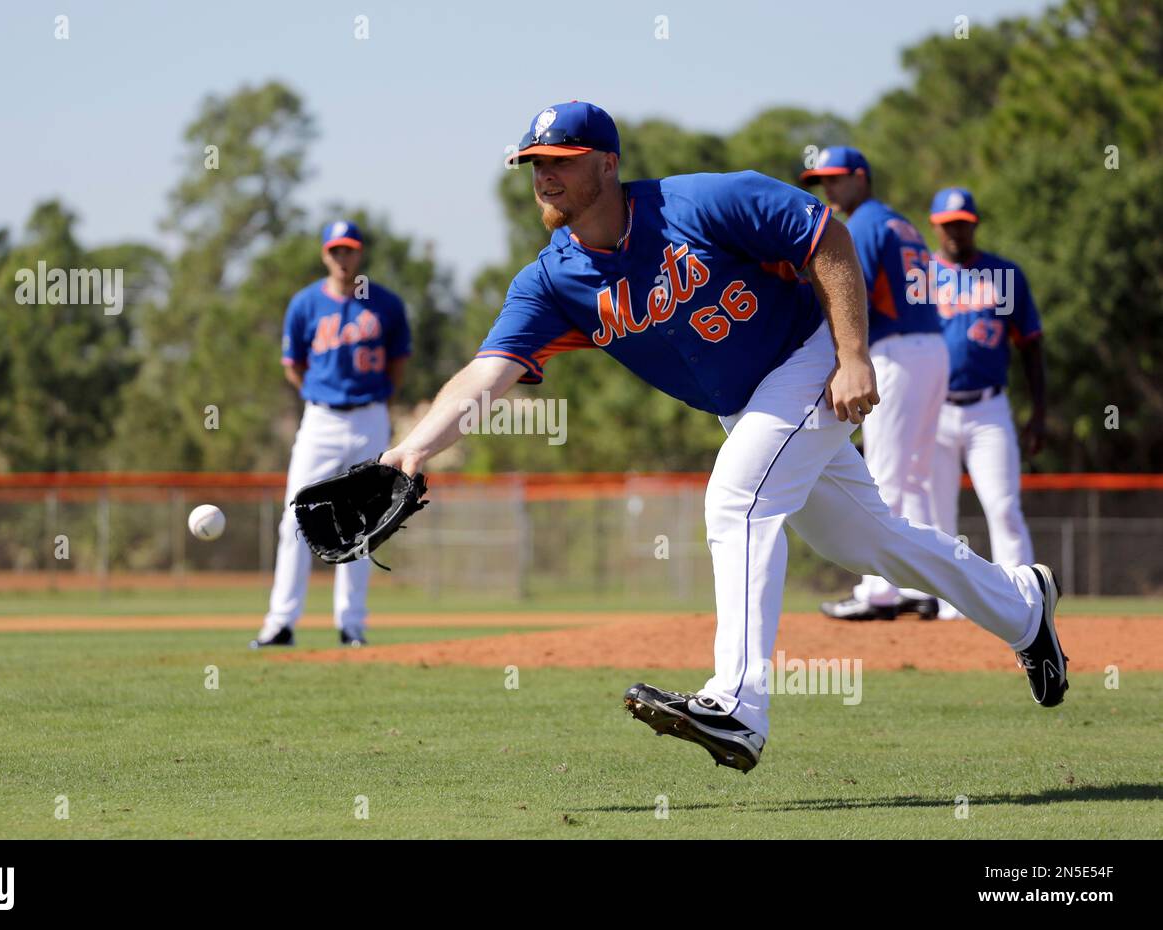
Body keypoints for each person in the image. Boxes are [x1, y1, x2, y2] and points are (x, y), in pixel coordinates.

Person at [377, 101, 1068, 773]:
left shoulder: (702, 202)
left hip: (807, 359)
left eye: (560, 160)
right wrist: (413, 450)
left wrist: (854, 353)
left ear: (608, 164)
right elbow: (486, 373)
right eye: (534, 162)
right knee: (866, 542)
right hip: (745, 406)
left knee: (736, 499)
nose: (544, 175)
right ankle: (1021, 604)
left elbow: (826, 237)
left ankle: (736, 704)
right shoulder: (553, 280)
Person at [801, 148, 948, 621]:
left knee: (884, 471)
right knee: (916, 475)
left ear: (861, 177)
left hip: (896, 351)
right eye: (822, 181)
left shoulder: (861, 224)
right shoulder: (901, 224)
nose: (829, 189)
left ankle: (878, 592)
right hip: (931, 349)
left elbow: (848, 291)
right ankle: (933, 587)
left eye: (837, 179)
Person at [250, 220, 411, 649]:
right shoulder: (305, 304)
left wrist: (378, 398)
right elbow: (293, 363)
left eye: (350, 250)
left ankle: (352, 624)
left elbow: (398, 362)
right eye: (336, 251)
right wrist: (316, 395)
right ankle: (280, 623)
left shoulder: (386, 305)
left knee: (363, 524)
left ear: (360, 254)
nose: (343, 258)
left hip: (369, 416)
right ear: (325, 255)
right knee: (294, 519)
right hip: (320, 418)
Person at [927, 188, 1045, 620]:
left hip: (988, 408)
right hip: (932, 410)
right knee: (938, 514)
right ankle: (947, 604)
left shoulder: (1004, 276)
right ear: (934, 225)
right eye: (948, 222)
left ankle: (1025, 602)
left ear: (974, 223)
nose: (956, 229)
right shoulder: (918, 276)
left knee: (1003, 506)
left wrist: (1040, 413)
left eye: (963, 221)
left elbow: (1032, 345)